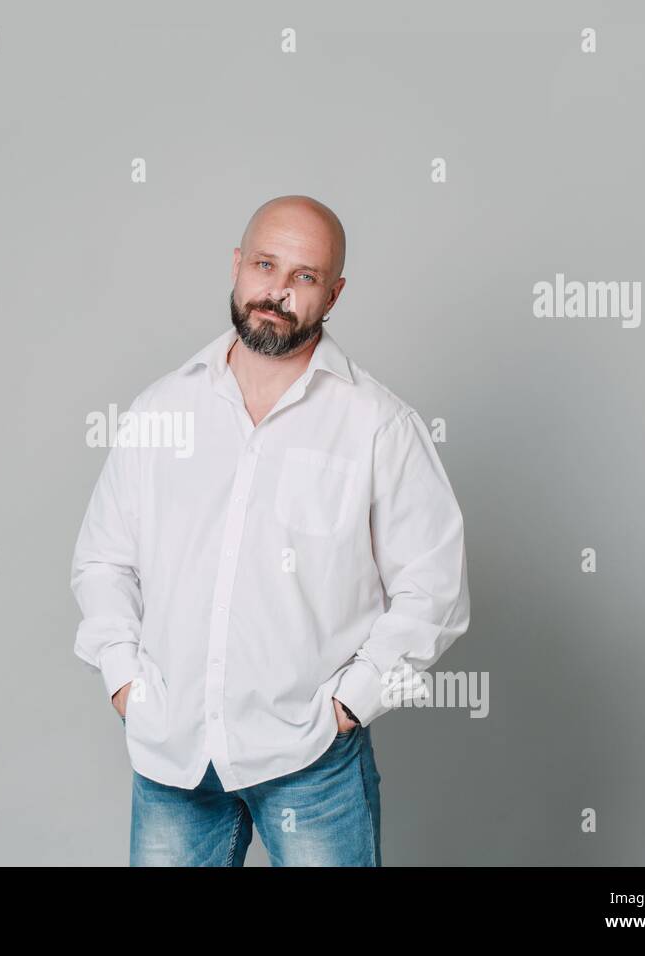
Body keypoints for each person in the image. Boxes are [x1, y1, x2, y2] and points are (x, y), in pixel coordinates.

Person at [70, 195, 470, 866]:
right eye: (264, 265)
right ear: (237, 266)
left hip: (311, 761)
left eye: (304, 277)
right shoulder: (162, 409)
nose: (276, 292)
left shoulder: (377, 424)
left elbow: (437, 591)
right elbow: (104, 561)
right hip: (173, 759)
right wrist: (124, 681)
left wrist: (351, 703)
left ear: (334, 293)